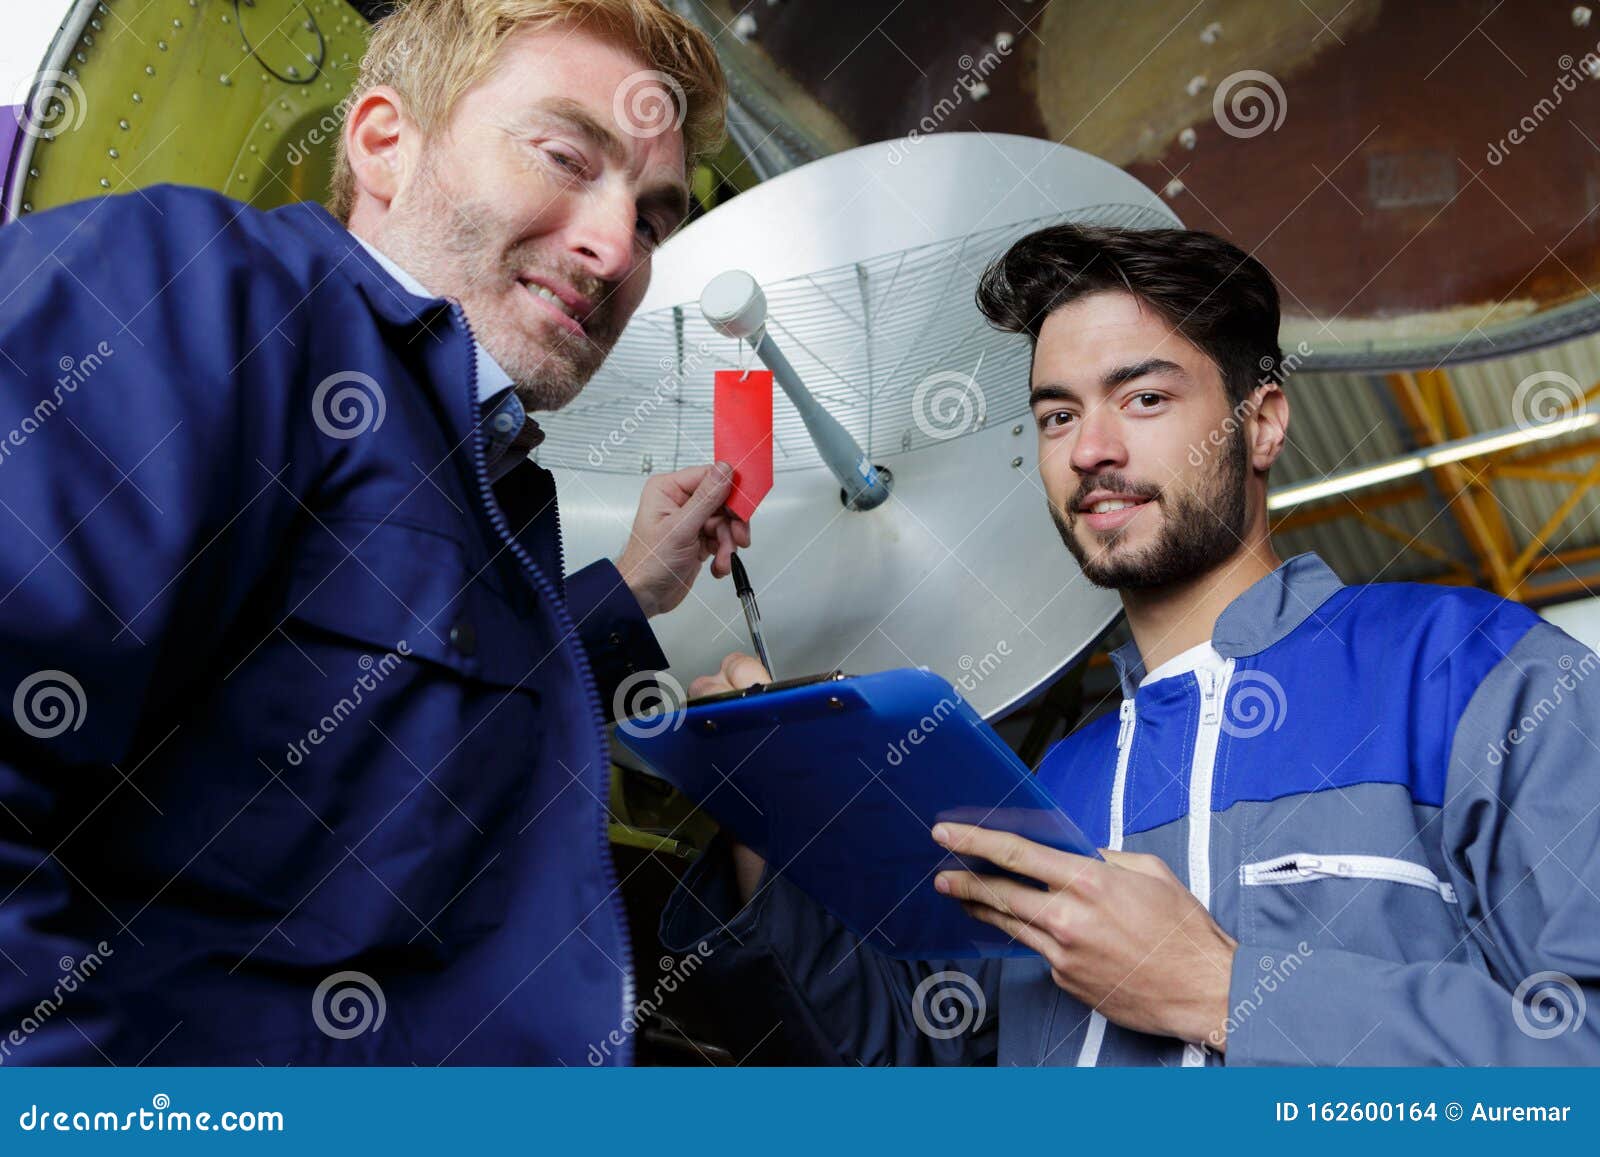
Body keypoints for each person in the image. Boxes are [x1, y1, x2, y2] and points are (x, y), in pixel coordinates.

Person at [662, 223, 1600, 1066]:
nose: (1089, 450)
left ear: (1262, 421)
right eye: (1057, 415)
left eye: (1143, 398)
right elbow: (905, 1062)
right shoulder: (1040, 791)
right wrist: (768, 807)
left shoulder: (1473, 674)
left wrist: (1219, 989)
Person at [0, 0, 736, 1065]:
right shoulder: (195, 289)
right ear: (385, 142)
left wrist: (629, 588)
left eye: (655, 217)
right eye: (567, 155)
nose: (615, 245)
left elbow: (373, 720)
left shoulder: (478, 463)